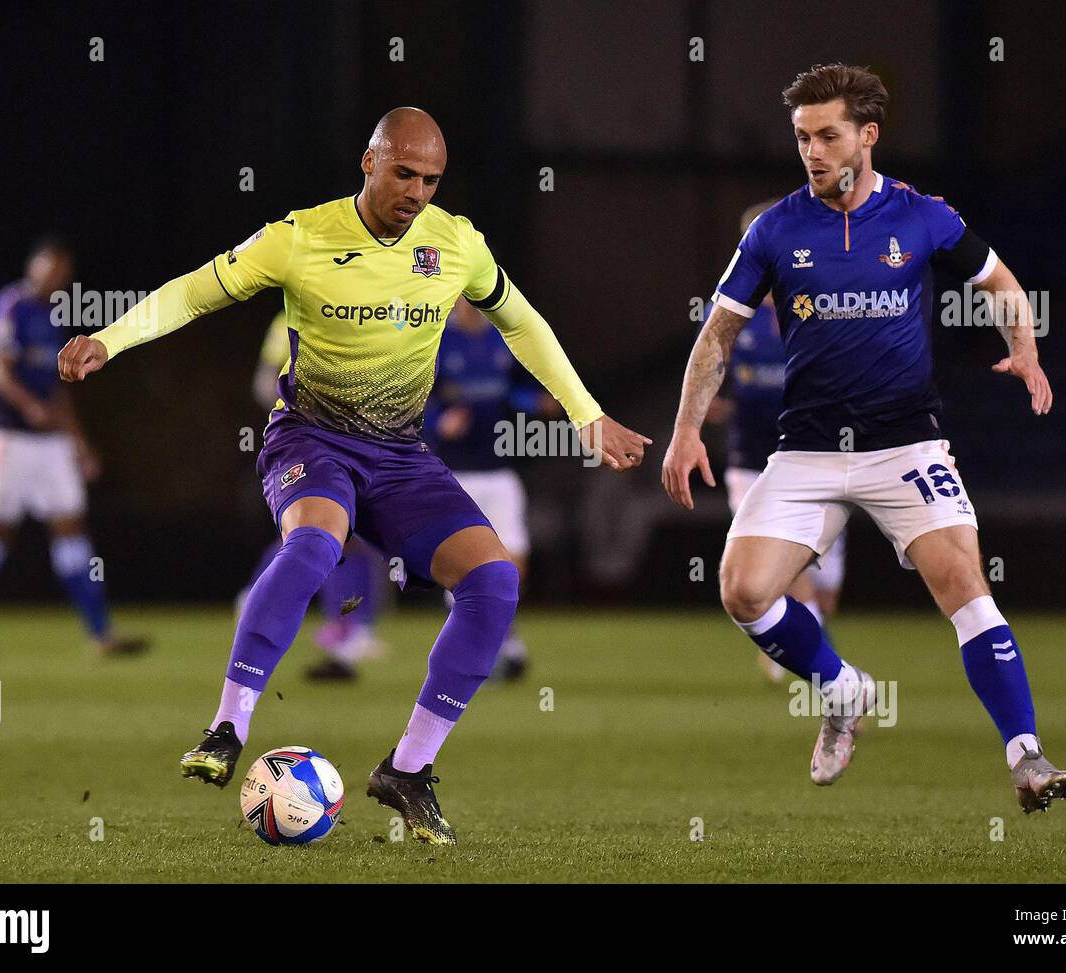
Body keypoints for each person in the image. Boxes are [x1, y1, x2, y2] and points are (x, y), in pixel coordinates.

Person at [58, 107, 650, 843]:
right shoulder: (300, 236)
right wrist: (110, 340)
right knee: (313, 547)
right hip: (311, 438)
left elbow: (522, 320)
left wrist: (586, 414)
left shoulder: (455, 243)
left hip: (401, 455)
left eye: (431, 179)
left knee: (496, 583)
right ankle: (225, 727)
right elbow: (195, 291)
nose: (418, 192)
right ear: (369, 163)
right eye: (405, 173)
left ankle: (407, 770)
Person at [661, 65, 1066, 813]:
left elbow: (1001, 282)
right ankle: (844, 689)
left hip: (905, 445)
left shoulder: (923, 217)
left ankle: (1027, 756)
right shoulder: (775, 229)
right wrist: (687, 428)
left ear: (867, 135)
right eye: (801, 138)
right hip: (808, 447)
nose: (812, 152)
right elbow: (718, 333)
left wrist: (1026, 346)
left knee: (965, 585)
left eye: (827, 135)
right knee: (744, 591)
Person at [0, 238, 145, 658]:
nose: (55, 278)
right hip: (8, 437)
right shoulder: (11, 305)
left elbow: (60, 391)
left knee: (71, 528)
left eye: (61, 273)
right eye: (49, 269)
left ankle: (101, 635)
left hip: (50, 442)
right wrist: (29, 406)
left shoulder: (52, 317)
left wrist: (81, 444)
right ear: (32, 266)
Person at [707, 201, 848, 682]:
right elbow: (709, 371)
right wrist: (707, 408)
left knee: (826, 587)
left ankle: (790, 648)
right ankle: (837, 685)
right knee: (793, 574)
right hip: (752, 463)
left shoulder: (817, 302)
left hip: (818, 457)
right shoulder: (729, 311)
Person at [244, 311, 388, 682]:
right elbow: (265, 381)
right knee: (327, 532)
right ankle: (341, 627)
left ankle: (345, 626)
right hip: (307, 439)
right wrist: (294, 407)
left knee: (342, 535)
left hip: (353, 437)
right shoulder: (289, 319)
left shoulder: (366, 312)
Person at [423, 297, 562, 680]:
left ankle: (502, 639)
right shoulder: (434, 342)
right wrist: (438, 422)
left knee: (513, 563)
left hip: (499, 470)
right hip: (452, 474)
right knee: (463, 569)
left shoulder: (502, 340)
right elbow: (414, 401)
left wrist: (536, 402)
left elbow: (507, 391)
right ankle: (484, 650)